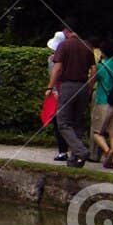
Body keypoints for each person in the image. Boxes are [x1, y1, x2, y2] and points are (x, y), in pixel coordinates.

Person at [48, 19, 93, 167]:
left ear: (67, 31)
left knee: (63, 122)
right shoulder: (87, 46)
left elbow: (57, 68)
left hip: (68, 85)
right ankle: (74, 159)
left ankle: (80, 151)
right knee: (77, 122)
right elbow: (94, 70)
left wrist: (50, 86)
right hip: (83, 85)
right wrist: (89, 87)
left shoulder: (64, 45)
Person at [90, 35, 113, 168]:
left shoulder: (101, 67)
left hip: (103, 102)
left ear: (103, 51)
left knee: (97, 132)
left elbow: (92, 81)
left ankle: (107, 150)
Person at [45, 31, 68, 161]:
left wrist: (51, 89)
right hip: (68, 90)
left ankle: (63, 151)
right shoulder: (70, 58)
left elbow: (53, 76)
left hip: (58, 92)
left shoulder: (52, 59)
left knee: (59, 122)